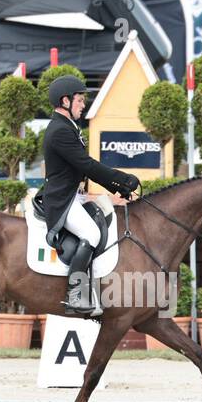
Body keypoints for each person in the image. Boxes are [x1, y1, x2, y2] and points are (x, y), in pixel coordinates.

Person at [34, 75, 140, 315]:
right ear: (65, 101)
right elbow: (87, 165)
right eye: (80, 100)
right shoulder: (60, 131)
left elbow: (84, 168)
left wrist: (117, 187)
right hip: (62, 200)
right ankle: (75, 295)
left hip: (74, 195)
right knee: (91, 234)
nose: (83, 104)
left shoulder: (68, 127)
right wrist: (121, 180)